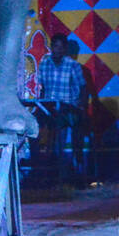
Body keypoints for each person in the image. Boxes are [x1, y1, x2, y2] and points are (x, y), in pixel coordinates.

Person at [38, 33, 89, 179]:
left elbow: (83, 88)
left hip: (69, 108)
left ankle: (65, 172)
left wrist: (82, 108)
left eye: (61, 47)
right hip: (49, 108)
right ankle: (45, 169)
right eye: (56, 47)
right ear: (51, 48)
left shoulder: (73, 66)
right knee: (38, 128)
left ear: (65, 49)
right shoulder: (44, 65)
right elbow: (43, 89)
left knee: (63, 131)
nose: (58, 50)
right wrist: (41, 105)